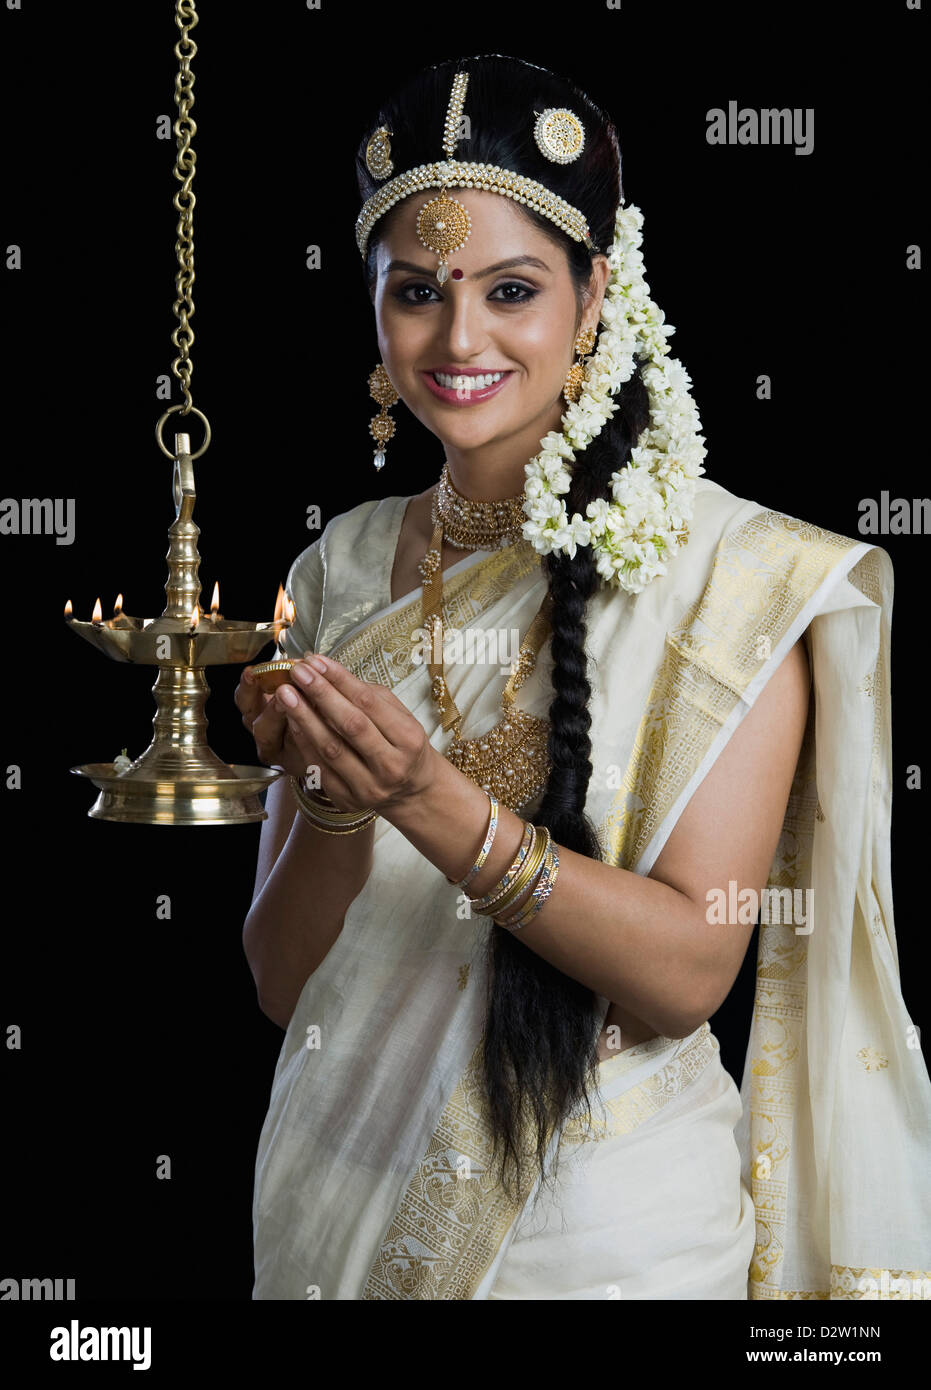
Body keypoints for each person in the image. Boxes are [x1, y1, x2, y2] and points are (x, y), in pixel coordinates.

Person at [237, 55, 931, 1300]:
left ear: (594, 293)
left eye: (512, 290)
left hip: (602, 1247)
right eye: (415, 294)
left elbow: (686, 972)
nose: (460, 341)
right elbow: (288, 987)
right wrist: (338, 801)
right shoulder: (337, 566)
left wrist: (425, 798)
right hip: (333, 1197)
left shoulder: (724, 572)